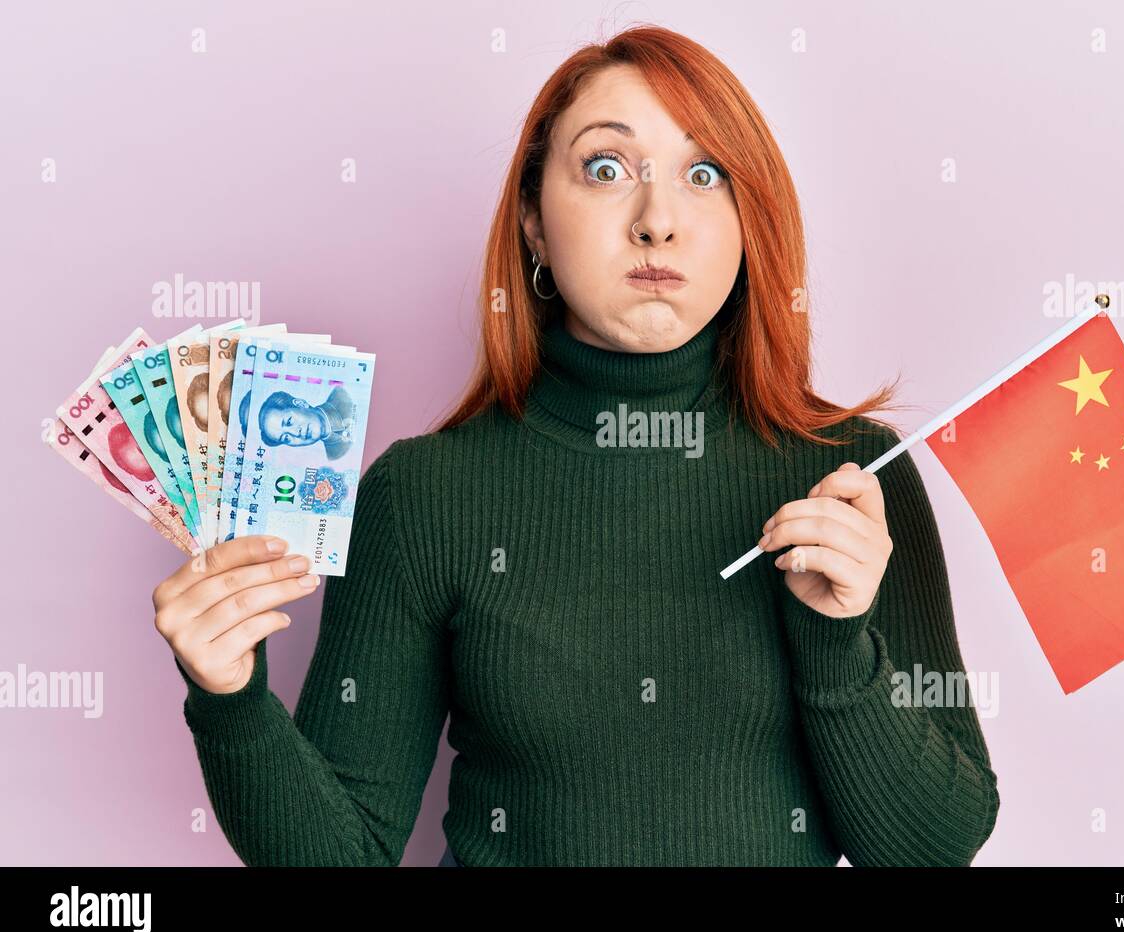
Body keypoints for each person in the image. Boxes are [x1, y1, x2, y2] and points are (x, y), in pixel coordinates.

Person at [152, 25, 999, 867]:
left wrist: (835, 639)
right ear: (532, 220)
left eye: (704, 175)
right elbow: (346, 857)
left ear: (749, 223)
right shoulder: (423, 495)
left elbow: (933, 848)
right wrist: (229, 700)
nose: (658, 220)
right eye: (606, 169)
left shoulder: (849, 477)